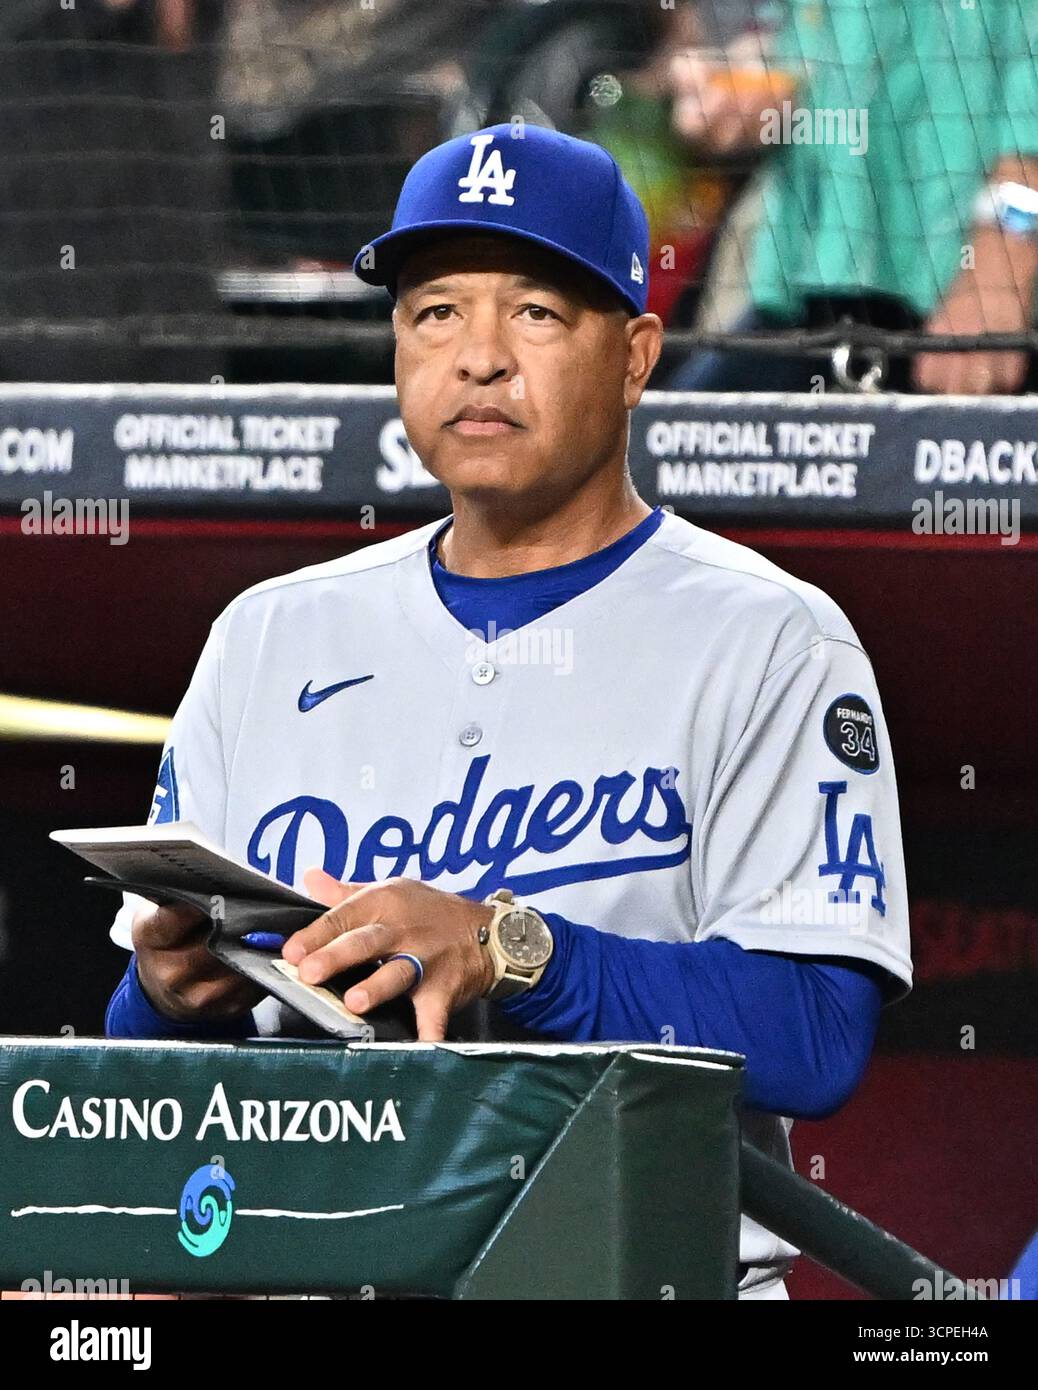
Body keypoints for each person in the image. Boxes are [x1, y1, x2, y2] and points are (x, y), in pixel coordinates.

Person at [106, 122, 913, 1300]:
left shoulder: (773, 639)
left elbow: (815, 1030)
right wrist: (164, 997)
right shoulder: (265, 639)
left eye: (535, 311)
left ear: (636, 355)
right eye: (436, 312)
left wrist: (506, 946)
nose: (478, 356)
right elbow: (144, 1078)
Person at [665, 0, 1038, 394]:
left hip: (956, 294)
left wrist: (1001, 267)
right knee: (671, 441)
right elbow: (819, 38)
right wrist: (755, 81)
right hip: (810, 283)